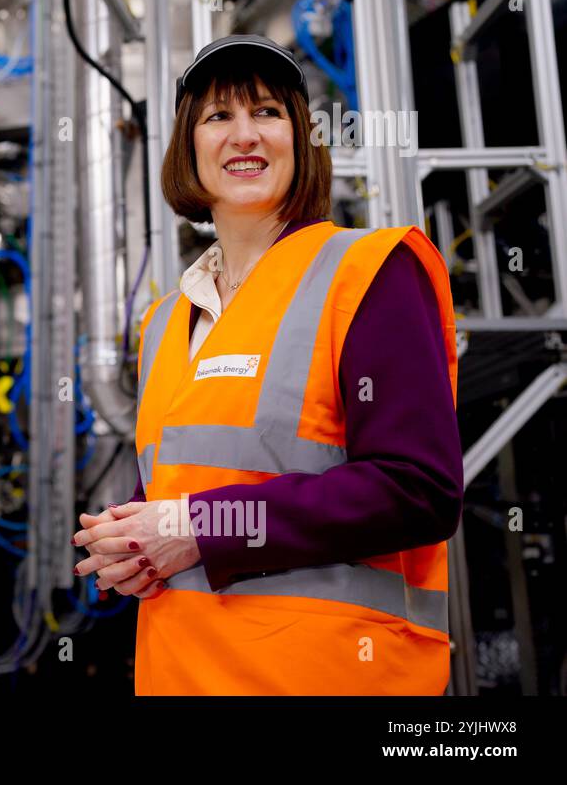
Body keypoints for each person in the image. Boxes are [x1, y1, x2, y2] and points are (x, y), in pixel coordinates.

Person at [71, 35, 463, 695]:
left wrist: (198, 527)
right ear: (187, 148)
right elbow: (191, 487)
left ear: (301, 139)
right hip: (180, 676)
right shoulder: (164, 322)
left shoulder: (368, 272)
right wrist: (133, 542)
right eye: (218, 116)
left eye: (268, 113)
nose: (244, 135)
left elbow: (417, 490)